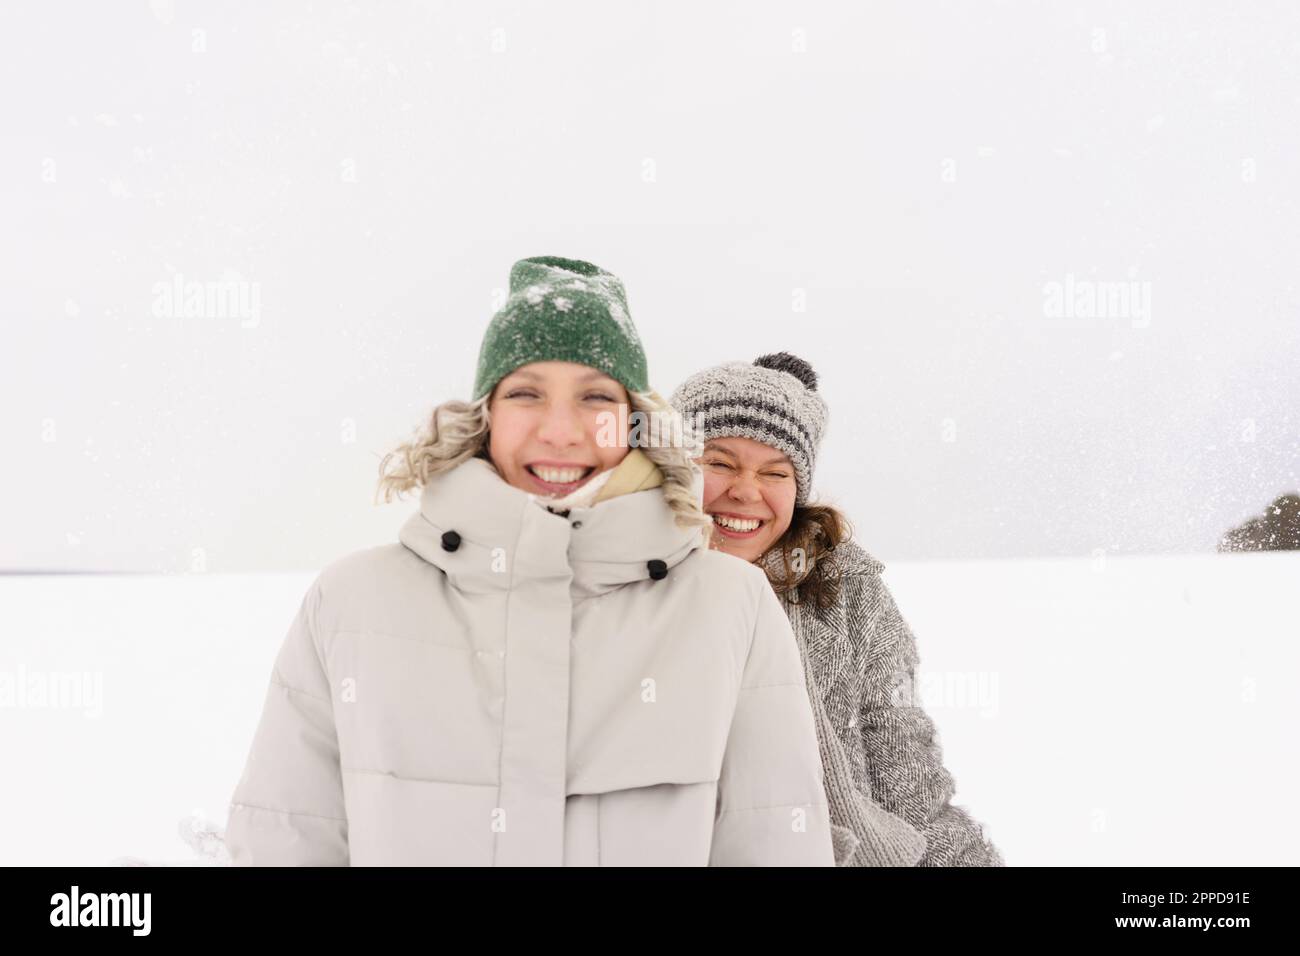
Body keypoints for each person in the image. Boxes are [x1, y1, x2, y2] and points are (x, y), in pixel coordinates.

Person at [225, 257, 834, 866]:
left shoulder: (731, 605)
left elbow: (775, 843)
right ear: (484, 417)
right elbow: (285, 840)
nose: (562, 431)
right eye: (526, 393)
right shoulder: (352, 601)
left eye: (596, 396)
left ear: (635, 423)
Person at [671, 352, 1004, 866]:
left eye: (775, 472)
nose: (746, 491)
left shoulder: (847, 592)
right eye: (719, 463)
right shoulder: (626, 585)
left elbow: (903, 762)